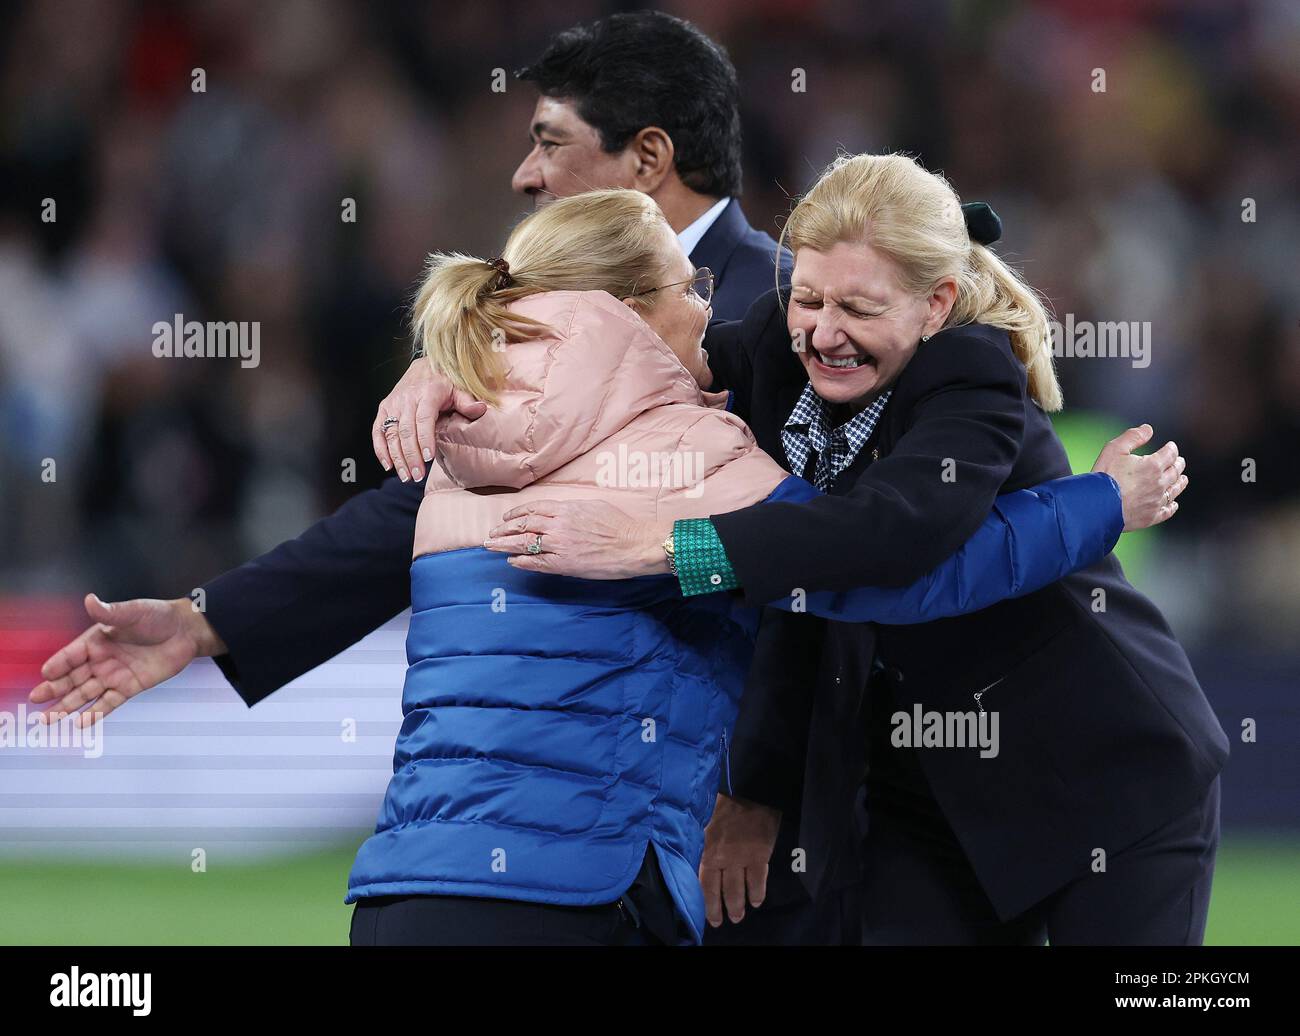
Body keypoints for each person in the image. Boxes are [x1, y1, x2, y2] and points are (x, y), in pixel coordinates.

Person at [35, 186, 1172, 946]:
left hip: (400, 890)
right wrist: (1096, 502)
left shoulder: (460, 443)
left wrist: (204, 618)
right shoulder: (694, 454)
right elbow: (896, 570)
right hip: (583, 896)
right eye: (690, 290)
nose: (721, 312)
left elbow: (365, 542)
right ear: (634, 309)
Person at [480, 153, 1228, 945]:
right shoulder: (777, 342)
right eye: (807, 297)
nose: (824, 333)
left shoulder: (970, 373)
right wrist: (455, 363)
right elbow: (633, 365)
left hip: (1103, 772)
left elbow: (888, 540)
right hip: (920, 794)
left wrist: (672, 548)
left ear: (936, 303)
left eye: (860, 310)